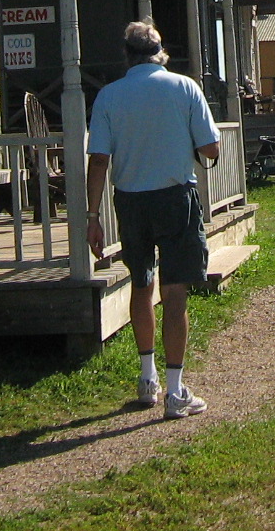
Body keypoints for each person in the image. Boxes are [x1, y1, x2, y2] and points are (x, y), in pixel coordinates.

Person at [85, 21, 221, 419]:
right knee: (174, 295)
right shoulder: (184, 88)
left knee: (141, 285)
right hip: (176, 197)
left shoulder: (109, 96)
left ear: (126, 54)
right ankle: (175, 390)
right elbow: (210, 148)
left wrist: (93, 217)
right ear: (161, 51)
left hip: (130, 201)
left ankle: (147, 379)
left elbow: (98, 160)